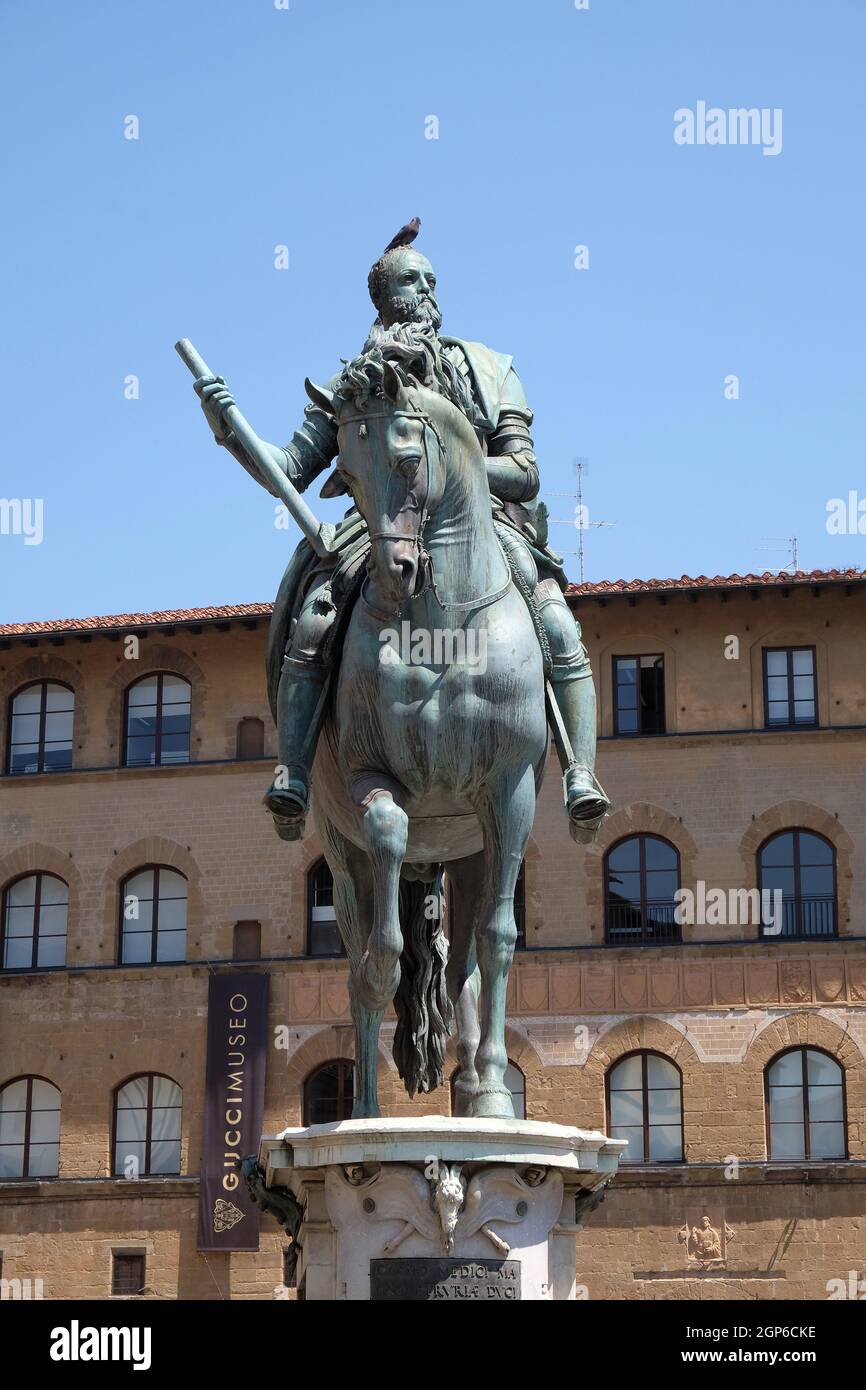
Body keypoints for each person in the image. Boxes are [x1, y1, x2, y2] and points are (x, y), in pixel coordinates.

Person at [197, 239, 609, 843]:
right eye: (413, 282)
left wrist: (455, 464)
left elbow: (525, 472)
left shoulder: (489, 369)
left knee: (555, 620)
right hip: (379, 521)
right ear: (384, 297)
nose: (428, 294)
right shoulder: (352, 386)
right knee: (316, 618)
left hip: (481, 524)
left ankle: (580, 774)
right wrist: (231, 434)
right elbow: (288, 469)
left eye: (433, 281)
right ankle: (295, 774)